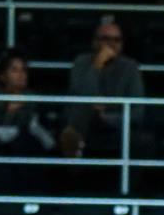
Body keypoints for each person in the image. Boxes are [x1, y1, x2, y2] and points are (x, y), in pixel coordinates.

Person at [60, 17, 146, 160]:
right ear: (95, 42)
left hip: (116, 125)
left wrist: (105, 117)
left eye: (116, 40)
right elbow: (80, 97)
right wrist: (97, 65)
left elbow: (138, 111)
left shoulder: (130, 67)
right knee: (74, 123)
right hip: (85, 122)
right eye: (106, 39)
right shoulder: (81, 62)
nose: (111, 44)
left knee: (141, 140)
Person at [0, 48, 54, 163]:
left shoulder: (32, 97)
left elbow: (31, 127)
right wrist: (8, 111)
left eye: (23, 70)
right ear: (2, 76)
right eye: (14, 70)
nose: (21, 74)